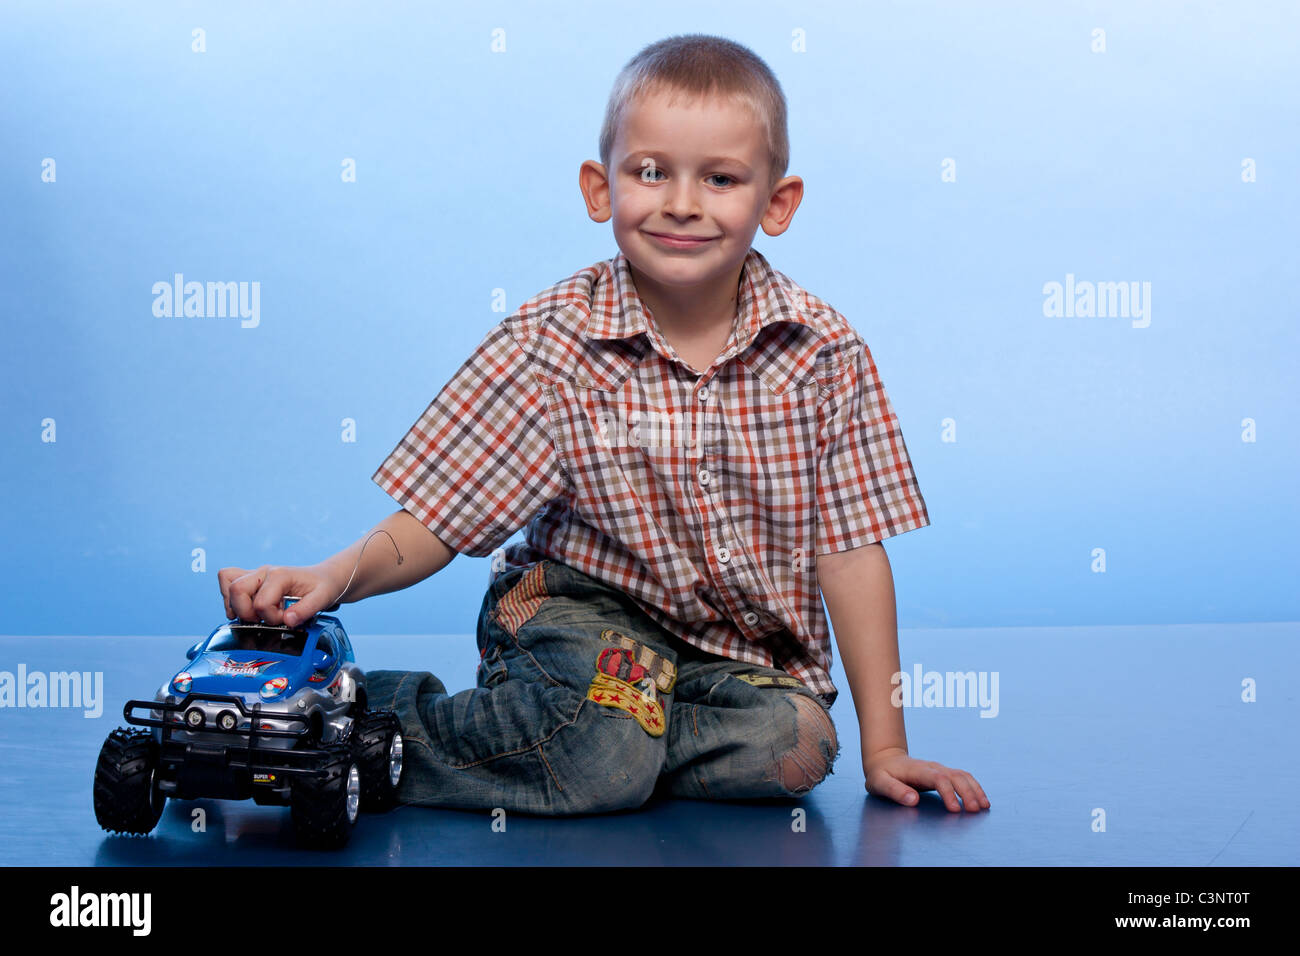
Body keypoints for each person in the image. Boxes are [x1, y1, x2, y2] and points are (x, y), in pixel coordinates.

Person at [219, 34, 989, 816]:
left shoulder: (825, 354)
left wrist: (884, 745)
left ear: (776, 203)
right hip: (576, 608)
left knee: (793, 745)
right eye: (651, 172)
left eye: (720, 179)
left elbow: (851, 552)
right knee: (606, 754)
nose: (682, 202)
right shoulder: (553, 342)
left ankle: (601, 739)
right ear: (600, 189)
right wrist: (330, 577)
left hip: (721, 655)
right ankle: (354, 728)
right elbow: (440, 517)